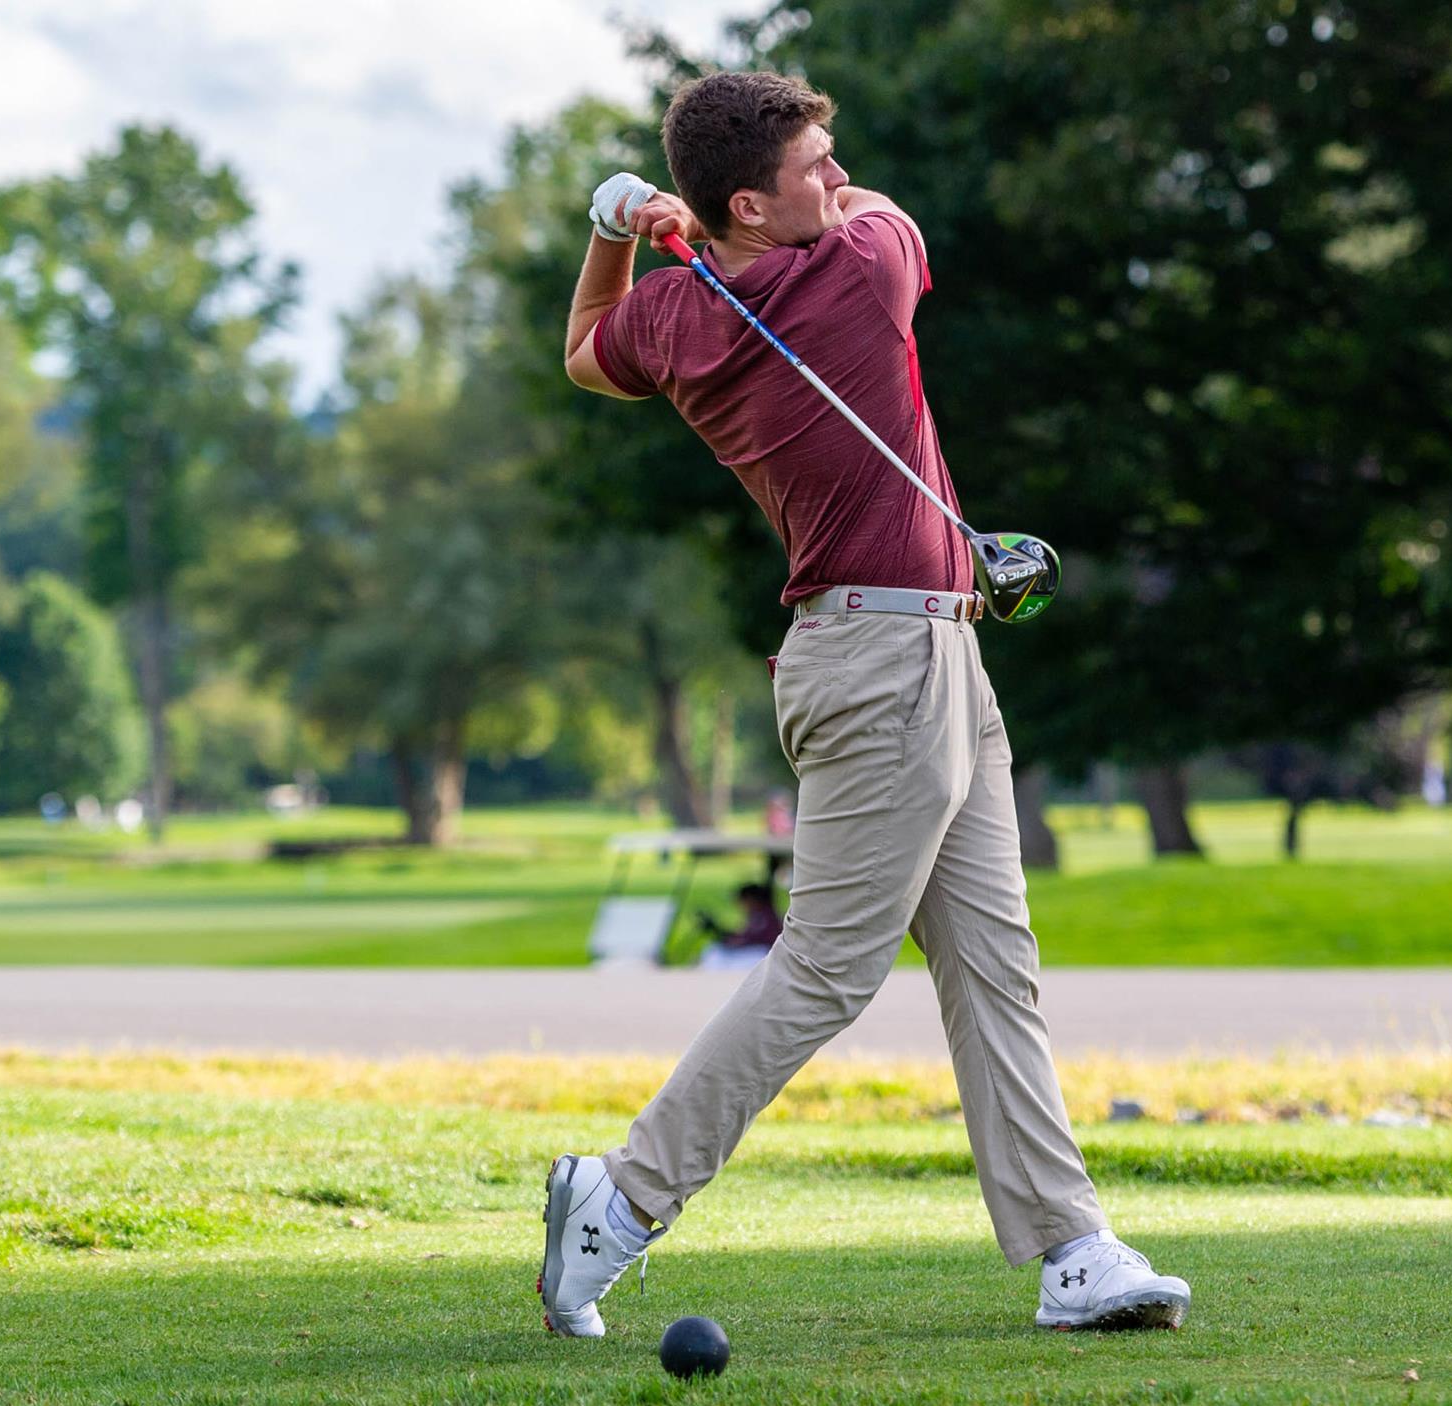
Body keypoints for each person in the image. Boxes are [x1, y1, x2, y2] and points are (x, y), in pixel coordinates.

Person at [534, 70, 1190, 1337]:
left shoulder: (679, 316)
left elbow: (580, 352)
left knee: (995, 963)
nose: (838, 178)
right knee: (828, 969)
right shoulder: (861, 266)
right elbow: (887, 214)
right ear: (747, 202)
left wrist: (619, 228)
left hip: (928, 656)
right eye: (813, 166)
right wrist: (769, 215)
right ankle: (620, 1194)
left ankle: (1072, 1247)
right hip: (883, 667)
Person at [693, 882, 783, 970]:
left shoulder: (765, 917)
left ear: (751, 899)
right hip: (755, 952)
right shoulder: (757, 916)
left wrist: (730, 940)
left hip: (760, 954)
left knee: (715, 955)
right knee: (713, 951)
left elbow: (749, 940)